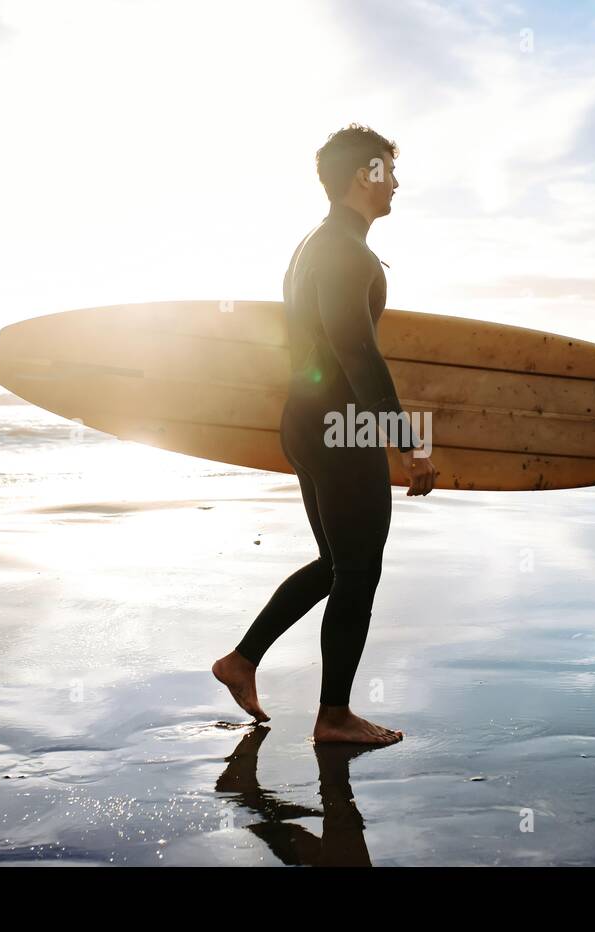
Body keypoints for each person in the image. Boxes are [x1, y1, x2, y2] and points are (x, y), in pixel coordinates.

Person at [212, 124, 437, 746]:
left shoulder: (318, 246)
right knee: (359, 570)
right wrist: (407, 441)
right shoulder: (343, 252)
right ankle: (334, 717)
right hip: (341, 427)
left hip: (310, 421)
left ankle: (242, 661)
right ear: (363, 176)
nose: (395, 182)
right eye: (386, 170)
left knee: (340, 565)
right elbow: (358, 354)